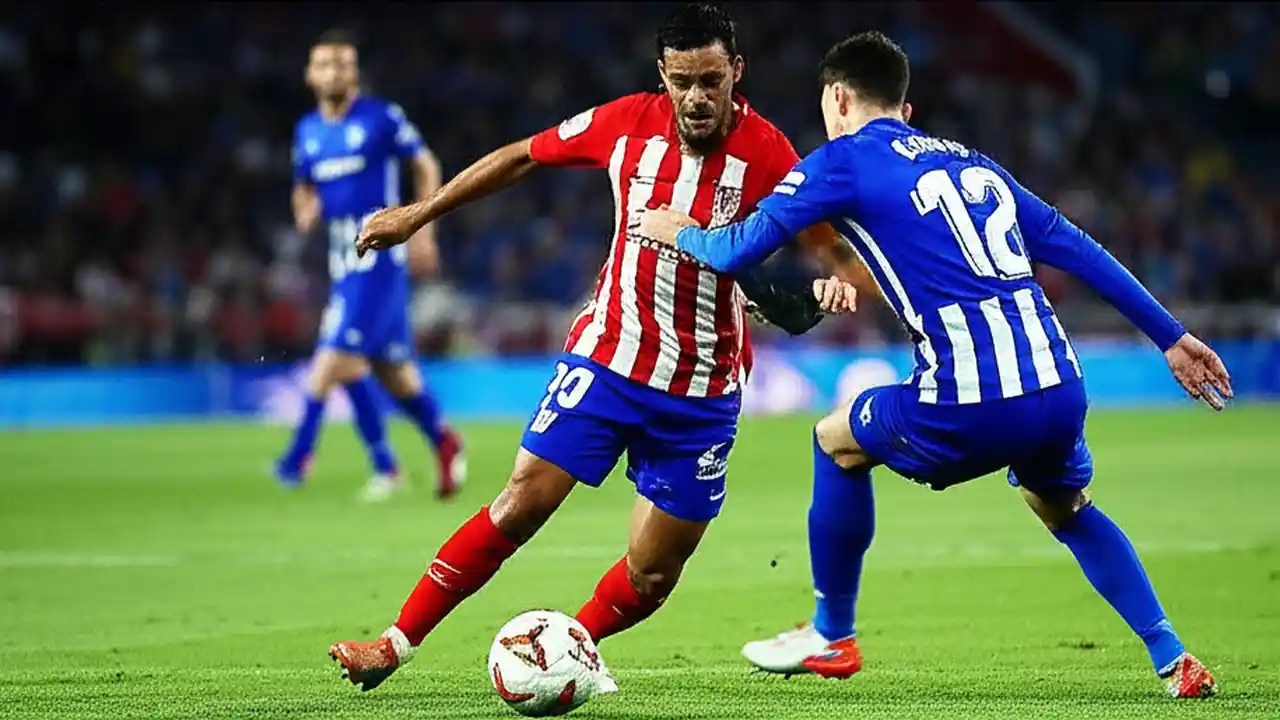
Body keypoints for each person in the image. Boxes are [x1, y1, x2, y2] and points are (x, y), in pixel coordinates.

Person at [638, 31, 1230, 699]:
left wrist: (677, 229)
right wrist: (1171, 336)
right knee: (1065, 507)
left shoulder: (840, 161)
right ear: (905, 109)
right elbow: (1077, 247)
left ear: (837, 98)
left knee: (834, 442)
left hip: (970, 400)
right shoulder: (974, 165)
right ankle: (1172, 655)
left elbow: (736, 249)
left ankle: (831, 634)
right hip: (1058, 385)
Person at [327, 3, 865, 691]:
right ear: (662, 75)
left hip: (701, 393)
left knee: (653, 572)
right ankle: (396, 643)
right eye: (681, 81)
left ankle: (575, 647)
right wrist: (417, 214)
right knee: (521, 500)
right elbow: (523, 155)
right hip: (608, 357)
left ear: (736, 72)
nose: (696, 98)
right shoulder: (623, 124)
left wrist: (832, 286)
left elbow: (825, 253)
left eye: (710, 81)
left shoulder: (769, 154)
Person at [277, 29, 466, 503]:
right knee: (390, 371)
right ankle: (442, 443)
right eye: (324, 64)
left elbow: (426, 164)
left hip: (378, 254)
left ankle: (296, 459)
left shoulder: (381, 118)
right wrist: (304, 207)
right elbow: (303, 183)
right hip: (340, 259)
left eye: (343, 64)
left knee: (332, 357)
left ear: (355, 72)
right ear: (310, 75)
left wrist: (425, 226)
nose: (334, 73)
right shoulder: (308, 130)